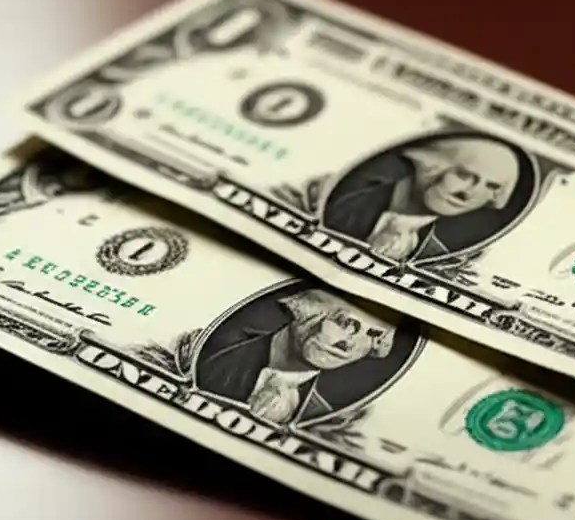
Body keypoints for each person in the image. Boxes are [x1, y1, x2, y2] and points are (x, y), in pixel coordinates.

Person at [195, 288, 396, 425]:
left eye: (373, 336)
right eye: (345, 323)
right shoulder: (207, 355)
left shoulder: (320, 416)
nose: (349, 345)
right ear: (308, 313)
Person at [323, 137, 522, 262]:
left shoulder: (442, 255)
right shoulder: (342, 200)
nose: (469, 194)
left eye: (491, 186)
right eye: (464, 175)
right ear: (431, 165)